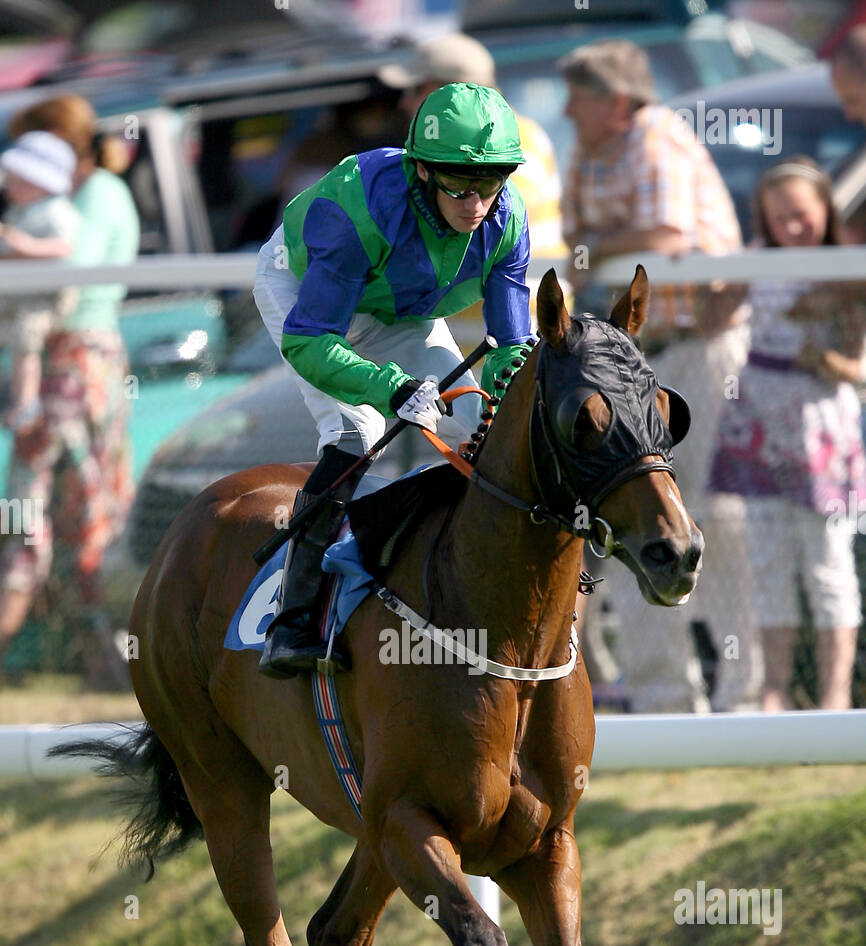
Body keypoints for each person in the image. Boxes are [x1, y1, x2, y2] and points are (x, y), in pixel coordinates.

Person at [253, 81, 533, 678]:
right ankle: (293, 617)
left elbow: (511, 344)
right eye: (459, 182)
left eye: (492, 181)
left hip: (401, 311)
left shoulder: (507, 219)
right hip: (309, 300)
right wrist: (390, 388)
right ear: (422, 170)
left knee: (477, 419)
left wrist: (509, 391)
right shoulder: (357, 209)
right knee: (354, 433)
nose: (477, 202)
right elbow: (311, 341)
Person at [558, 39, 761, 713]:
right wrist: (619, 234)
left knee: (710, 516)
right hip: (641, 356)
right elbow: (581, 236)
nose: (567, 108)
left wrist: (609, 236)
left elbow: (666, 237)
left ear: (616, 102)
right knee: (636, 514)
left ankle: (743, 687)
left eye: (580, 96)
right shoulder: (593, 148)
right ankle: (664, 695)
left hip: (699, 348)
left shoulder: (656, 140)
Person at [708, 157, 866, 711]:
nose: (791, 227)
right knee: (768, 562)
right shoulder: (756, 263)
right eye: (779, 218)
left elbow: (859, 365)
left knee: (827, 564)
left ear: (825, 208)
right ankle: (773, 691)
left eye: (800, 214)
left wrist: (820, 356)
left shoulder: (846, 269)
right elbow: (715, 313)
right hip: (759, 426)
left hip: (822, 429)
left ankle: (834, 695)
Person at [0, 94, 140, 690]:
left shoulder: (93, 199)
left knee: (33, 508)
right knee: (80, 508)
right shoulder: (92, 196)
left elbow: (64, 277)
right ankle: (100, 660)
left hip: (73, 364)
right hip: (86, 364)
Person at [378, 31, 567, 260]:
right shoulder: (451, 142)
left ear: (451, 92)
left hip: (530, 290)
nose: (404, 102)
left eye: (416, 89)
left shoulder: (517, 137)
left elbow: (495, 226)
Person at [0, 131, 80, 433]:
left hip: (44, 297)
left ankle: (26, 400)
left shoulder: (57, 212)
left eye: (17, 181)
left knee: (25, 337)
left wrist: (23, 245)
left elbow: (63, 247)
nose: (10, 188)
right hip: (18, 293)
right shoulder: (19, 212)